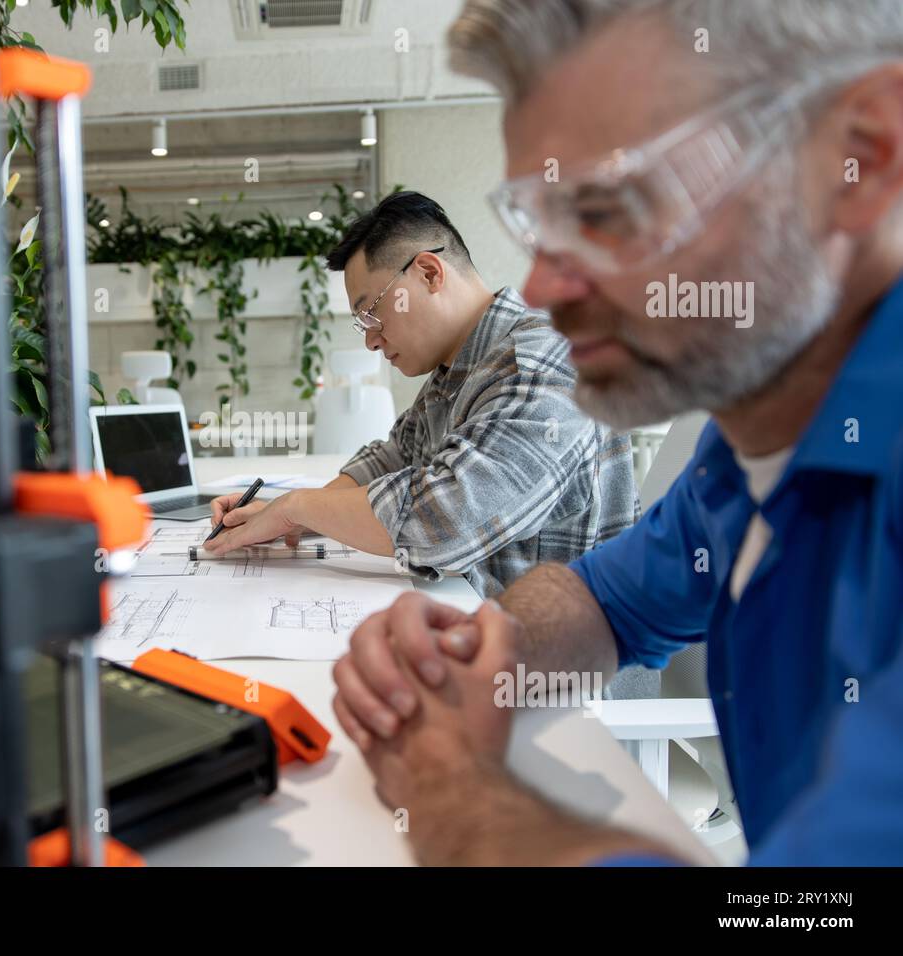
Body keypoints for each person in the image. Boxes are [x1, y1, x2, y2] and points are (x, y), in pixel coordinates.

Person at [332, 0, 903, 865]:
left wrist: (449, 787)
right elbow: (605, 598)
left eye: (606, 210)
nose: (546, 288)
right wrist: (472, 656)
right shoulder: (756, 440)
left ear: (860, 158)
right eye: (538, 220)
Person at [205, 191, 639, 598]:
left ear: (429, 272)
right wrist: (286, 513)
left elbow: (448, 519)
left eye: (371, 313)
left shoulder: (545, 358)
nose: (371, 342)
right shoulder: (457, 366)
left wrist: (297, 509)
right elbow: (395, 456)